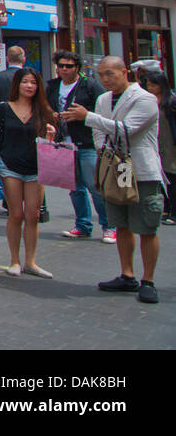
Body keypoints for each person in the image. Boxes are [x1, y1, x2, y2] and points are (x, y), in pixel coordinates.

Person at [63, 56, 165, 304]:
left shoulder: (145, 99)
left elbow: (127, 129)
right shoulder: (103, 99)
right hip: (117, 169)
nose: (106, 79)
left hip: (141, 170)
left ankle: (148, 280)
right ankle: (127, 274)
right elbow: (99, 132)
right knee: (122, 223)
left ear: (124, 72)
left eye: (110, 73)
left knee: (146, 226)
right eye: (101, 74)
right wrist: (103, 151)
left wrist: (88, 118)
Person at [0, 67, 59, 278]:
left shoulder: (44, 110)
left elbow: (55, 138)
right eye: (25, 82)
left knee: (33, 215)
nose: (29, 86)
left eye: (33, 82)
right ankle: (14, 261)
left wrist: (52, 132)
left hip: (36, 167)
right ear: (17, 84)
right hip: (10, 166)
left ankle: (31, 262)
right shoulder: (5, 108)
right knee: (16, 214)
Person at [46, 50, 112, 242]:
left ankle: (109, 226)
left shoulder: (89, 86)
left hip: (86, 142)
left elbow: (104, 111)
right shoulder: (52, 86)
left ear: (77, 68)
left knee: (94, 186)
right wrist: (51, 115)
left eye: (69, 66)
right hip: (64, 142)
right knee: (74, 187)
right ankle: (82, 224)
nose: (64, 69)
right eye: (61, 66)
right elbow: (45, 106)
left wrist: (84, 115)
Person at [141, 71, 176, 226]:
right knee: (161, 178)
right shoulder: (149, 101)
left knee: (172, 178)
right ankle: (166, 209)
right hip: (155, 143)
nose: (151, 88)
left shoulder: (171, 101)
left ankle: (174, 212)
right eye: (149, 85)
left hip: (170, 143)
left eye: (154, 85)